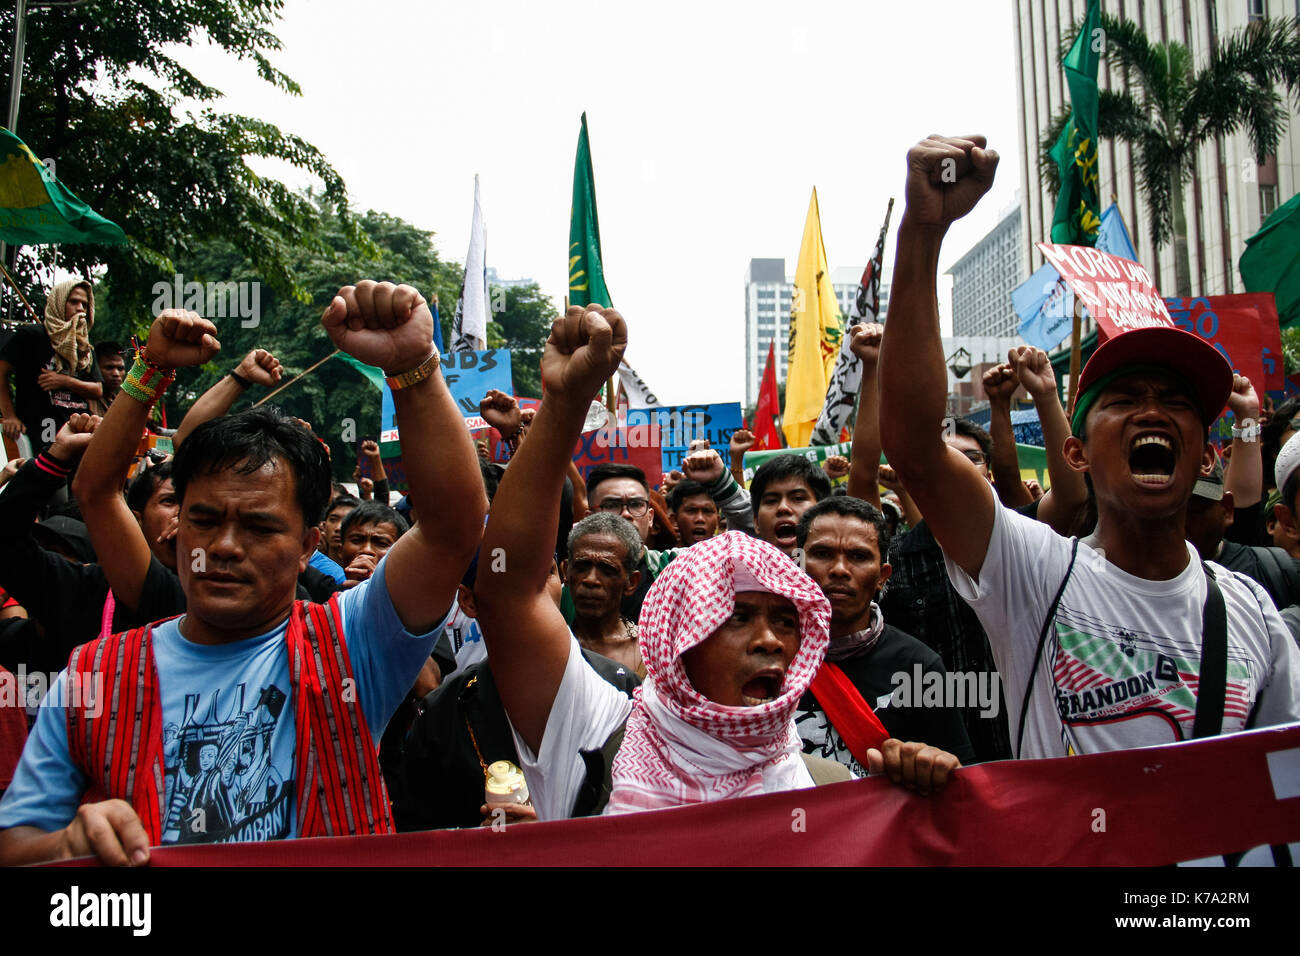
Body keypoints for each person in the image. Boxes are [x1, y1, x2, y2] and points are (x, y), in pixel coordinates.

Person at [0, 280, 487, 865]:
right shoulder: (97, 670)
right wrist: (69, 845)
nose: (225, 547)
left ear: (309, 545)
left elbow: (453, 527)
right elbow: (16, 845)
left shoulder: (353, 644)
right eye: (204, 519)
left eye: (259, 527)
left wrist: (414, 368)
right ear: (178, 529)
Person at [877, 134, 1300, 760]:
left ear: (1205, 458)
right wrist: (922, 234)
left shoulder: (1254, 614)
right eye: (1125, 399)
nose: (1153, 410)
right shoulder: (1034, 574)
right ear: (1074, 454)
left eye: (1177, 401)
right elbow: (915, 451)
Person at [475, 304, 959, 822]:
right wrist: (564, 404)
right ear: (677, 638)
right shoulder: (598, 731)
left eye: (785, 621)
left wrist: (922, 796)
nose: (772, 641)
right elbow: (508, 591)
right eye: (738, 617)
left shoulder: (829, 788)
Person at [794, 496, 975, 772]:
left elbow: (957, 778)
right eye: (822, 554)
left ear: (883, 575)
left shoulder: (920, 667)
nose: (840, 570)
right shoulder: (769, 654)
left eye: (859, 556)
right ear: (797, 564)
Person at [0, 280, 104, 451]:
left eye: (84, 305)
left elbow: (97, 389)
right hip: (37, 438)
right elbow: (1, 371)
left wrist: (65, 381)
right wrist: (9, 416)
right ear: (59, 301)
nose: (80, 309)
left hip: (76, 437)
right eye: (73, 302)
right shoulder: (32, 335)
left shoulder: (84, 347)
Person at [564, 512, 644, 678]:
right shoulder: (550, 645)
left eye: (607, 570)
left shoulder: (648, 653)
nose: (591, 580)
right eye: (581, 566)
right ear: (565, 571)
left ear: (631, 583)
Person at [749, 454, 832, 556]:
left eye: (798, 498)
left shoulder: (842, 569)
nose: (783, 507)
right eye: (771, 501)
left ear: (824, 514)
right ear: (756, 522)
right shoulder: (736, 569)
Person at [667, 478, 720, 547]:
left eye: (707, 511)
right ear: (674, 519)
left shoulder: (731, 556)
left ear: (717, 520)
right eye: (691, 511)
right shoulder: (664, 557)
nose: (700, 519)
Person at [94, 342, 126, 408]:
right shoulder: (85, 400)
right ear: (95, 368)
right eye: (109, 368)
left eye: (120, 368)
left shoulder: (121, 404)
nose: (116, 374)